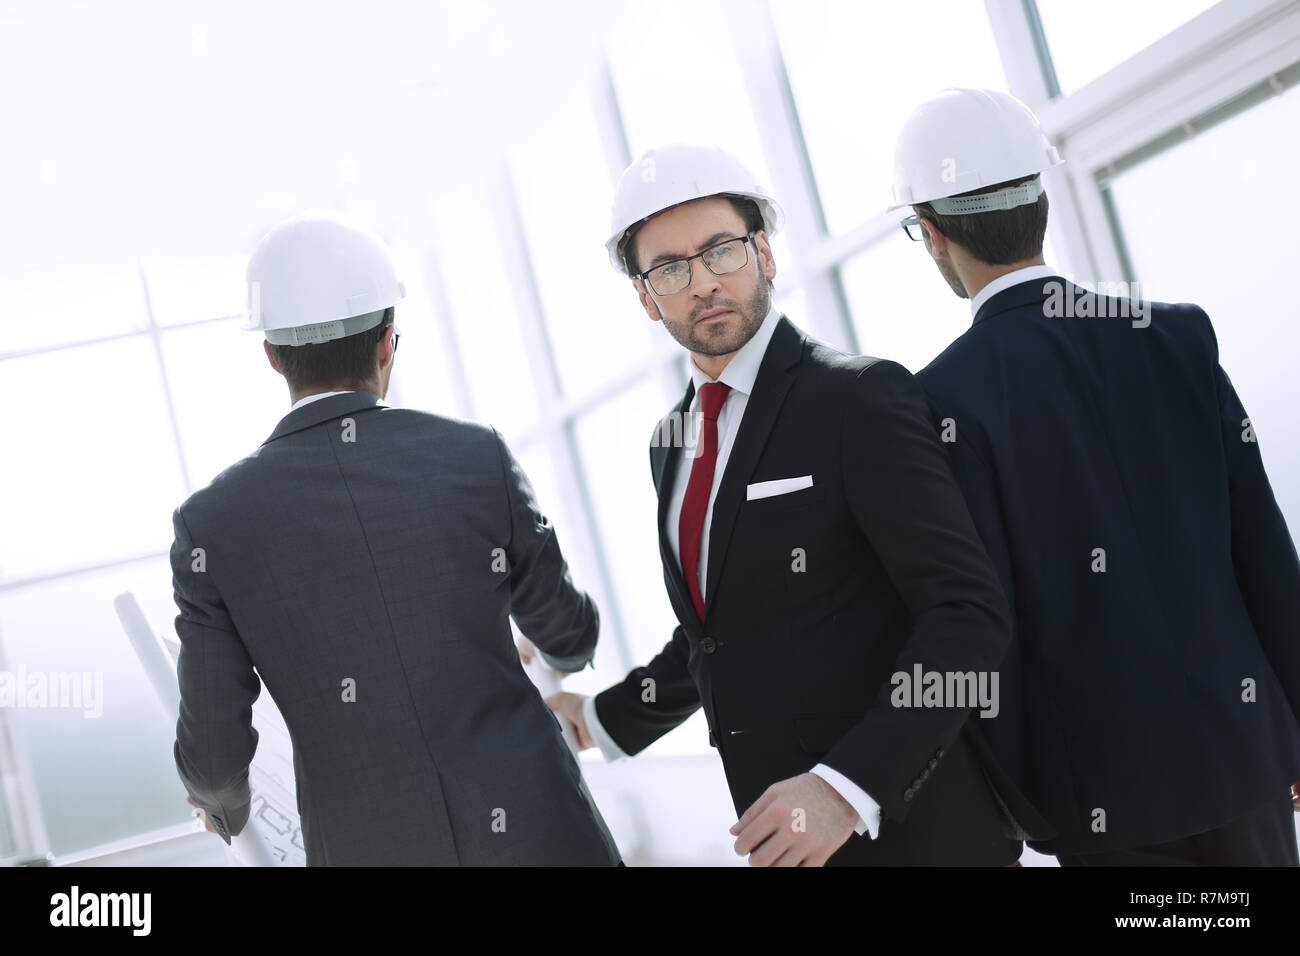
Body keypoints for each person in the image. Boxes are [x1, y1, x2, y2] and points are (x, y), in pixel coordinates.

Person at [547, 144, 1052, 865]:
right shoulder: (673, 441)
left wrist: (846, 788)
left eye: (721, 250)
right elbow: (716, 634)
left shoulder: (858, 398)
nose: (703, 283)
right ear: (644, 295)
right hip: (787, 841)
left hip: (916, 832)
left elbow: (968, 616)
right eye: (670, 268)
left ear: (765, 255)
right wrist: (598, 718)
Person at [896, 87, 1300, 865]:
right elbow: (1264, 550)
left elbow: (988, 622)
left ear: (935, 235)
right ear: (1041, 199)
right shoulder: (1177, 335)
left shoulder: (938, 399)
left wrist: (1020, 806)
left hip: (1098, 795)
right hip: (1246, 754)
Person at [171, 212, 621, 865]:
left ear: (270, 355)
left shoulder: (210, 522)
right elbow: (568, 634)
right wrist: (559, 643)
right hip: (539, 833)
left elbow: (213, 763)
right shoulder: (474, 457)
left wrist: (224, 808)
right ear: (387, 344)